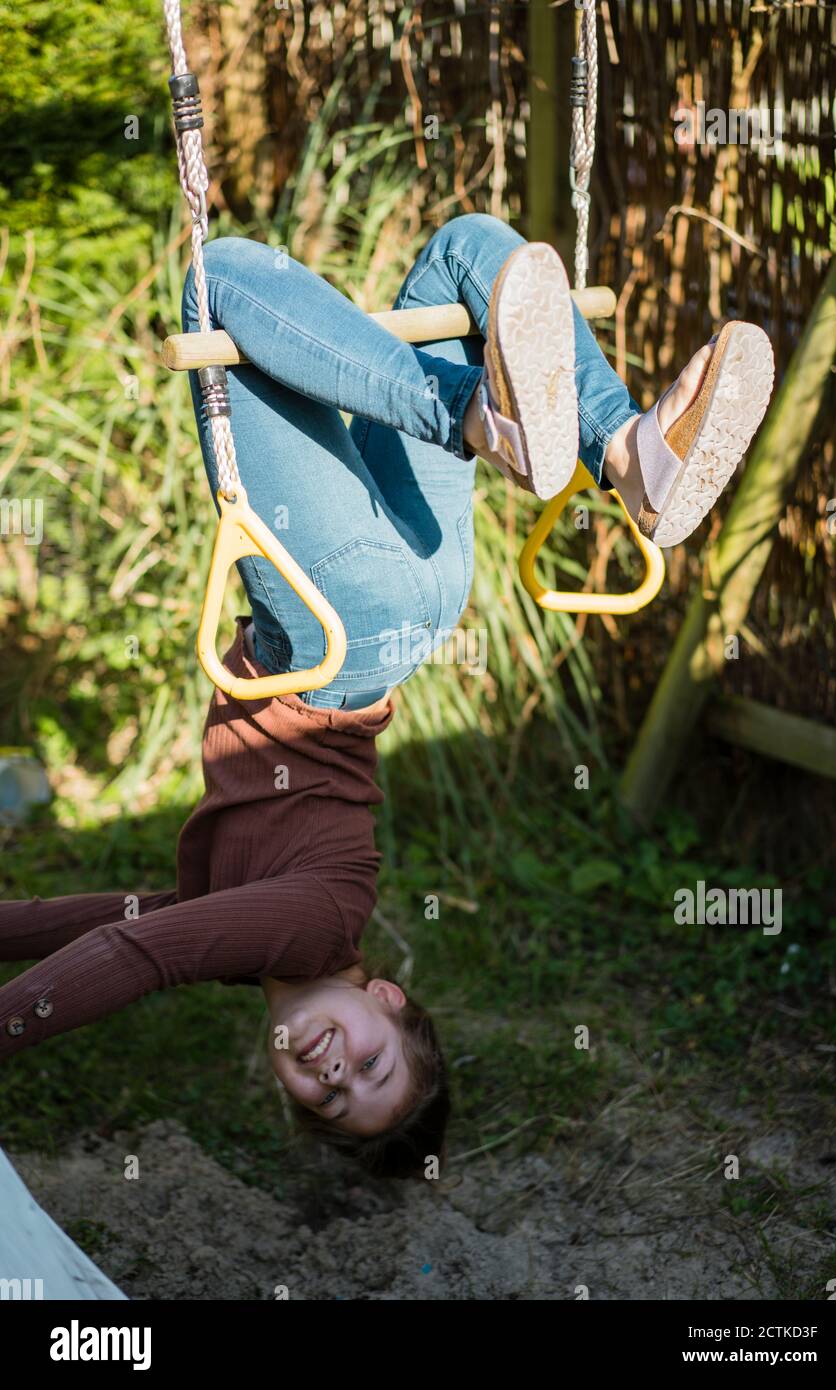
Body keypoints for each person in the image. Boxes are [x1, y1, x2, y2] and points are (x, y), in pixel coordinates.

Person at [0, 214, 773, 1178]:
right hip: (342, 627)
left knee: (466, 250)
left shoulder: (250, 936)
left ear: (288, 1088)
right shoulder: (312, 928)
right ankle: (490, 422)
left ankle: (625, 456)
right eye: (370, 1064)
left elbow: (107, 923)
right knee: (223, 280)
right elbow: (139, 960)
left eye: (329, 1096)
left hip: (416, 613)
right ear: (388, 1000)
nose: (335, 1069)